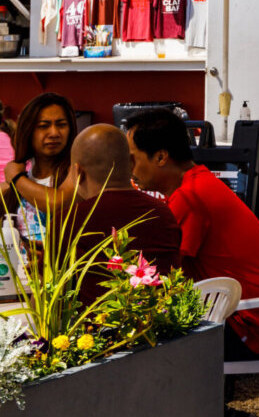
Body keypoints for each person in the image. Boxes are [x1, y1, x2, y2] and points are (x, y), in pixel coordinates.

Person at [124, 108, 259, 361]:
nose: (129, 168)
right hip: (255, 319)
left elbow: (161, 273)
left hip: (251, 328)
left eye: (132, 159)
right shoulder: (197, 182)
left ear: (160, 157)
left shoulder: (189, 197)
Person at [60, 124, 182, 305]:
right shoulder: (163, 212)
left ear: (77, 172)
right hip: (165, 326)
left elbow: (54, 298)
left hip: (96, 330)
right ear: (132, 163)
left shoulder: (69, 220)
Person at [0, 93, 79, 239]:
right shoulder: (13, 186)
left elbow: (56, 204)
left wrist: (17, 178)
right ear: (28, 131)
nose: (54, 133)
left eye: (61, 125)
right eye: (43, 126)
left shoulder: (77, 170)